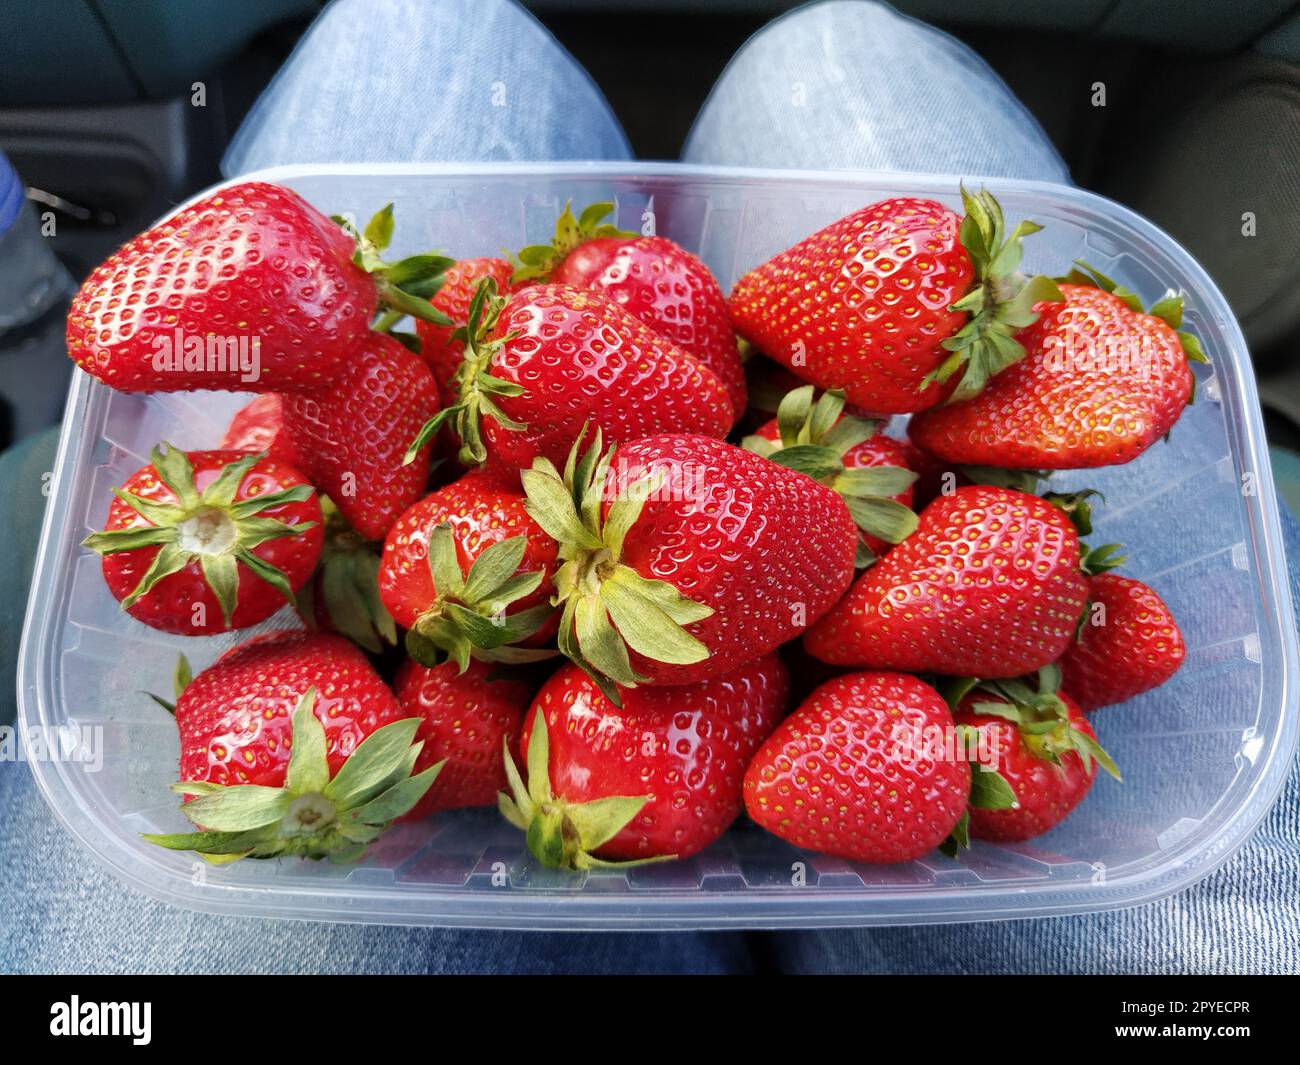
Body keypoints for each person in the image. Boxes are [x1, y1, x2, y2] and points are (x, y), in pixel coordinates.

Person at [2, 0, 1296, 975]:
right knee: (834, 43)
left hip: (660, 507)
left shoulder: (581, 516)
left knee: (421, 16)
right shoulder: (572, 530)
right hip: (676, 508)